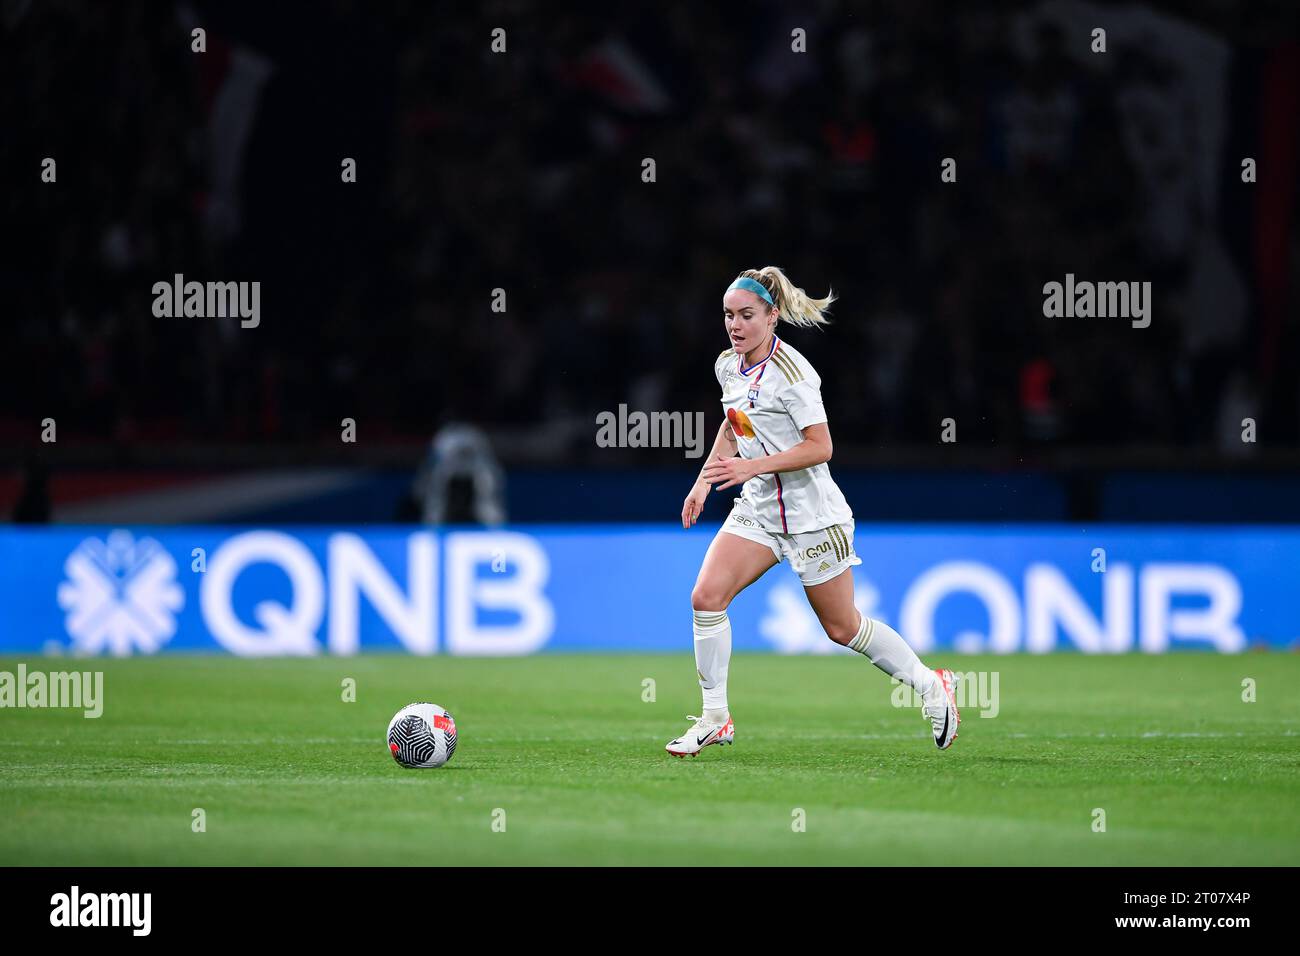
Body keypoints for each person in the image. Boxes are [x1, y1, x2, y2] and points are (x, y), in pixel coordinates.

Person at [666, 267, 959, 757]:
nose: (735, 326)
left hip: (812, 518)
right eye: (728, 316)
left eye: (746, 316)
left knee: (843, 628)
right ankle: (715, 717)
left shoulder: (795, 376)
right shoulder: (727, 366)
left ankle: (931, 686)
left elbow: (820, 446)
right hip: (759, 510)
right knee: (706, 596)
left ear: (772, 317)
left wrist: (752, 464)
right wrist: (703, 482)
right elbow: (733, 422)